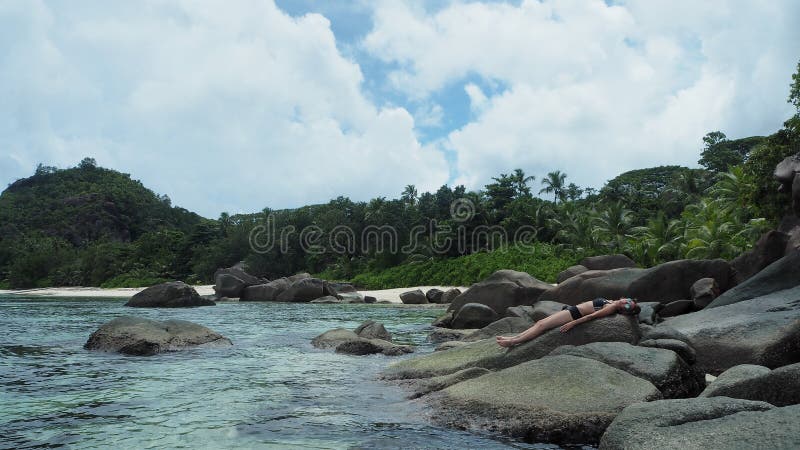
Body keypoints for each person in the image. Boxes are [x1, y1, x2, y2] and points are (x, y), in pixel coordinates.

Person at [496, 298, 640, 348]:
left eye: (628, 306)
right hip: (572, 310)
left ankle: (513, 342)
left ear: (624, 311)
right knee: (540, 322)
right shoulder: (612, 302)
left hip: (573, 315)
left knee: (541, 326)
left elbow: (591, 317)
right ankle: (513, 338)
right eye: (629, 301)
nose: (626, 303)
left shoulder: (611, 307)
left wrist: (573, 323)